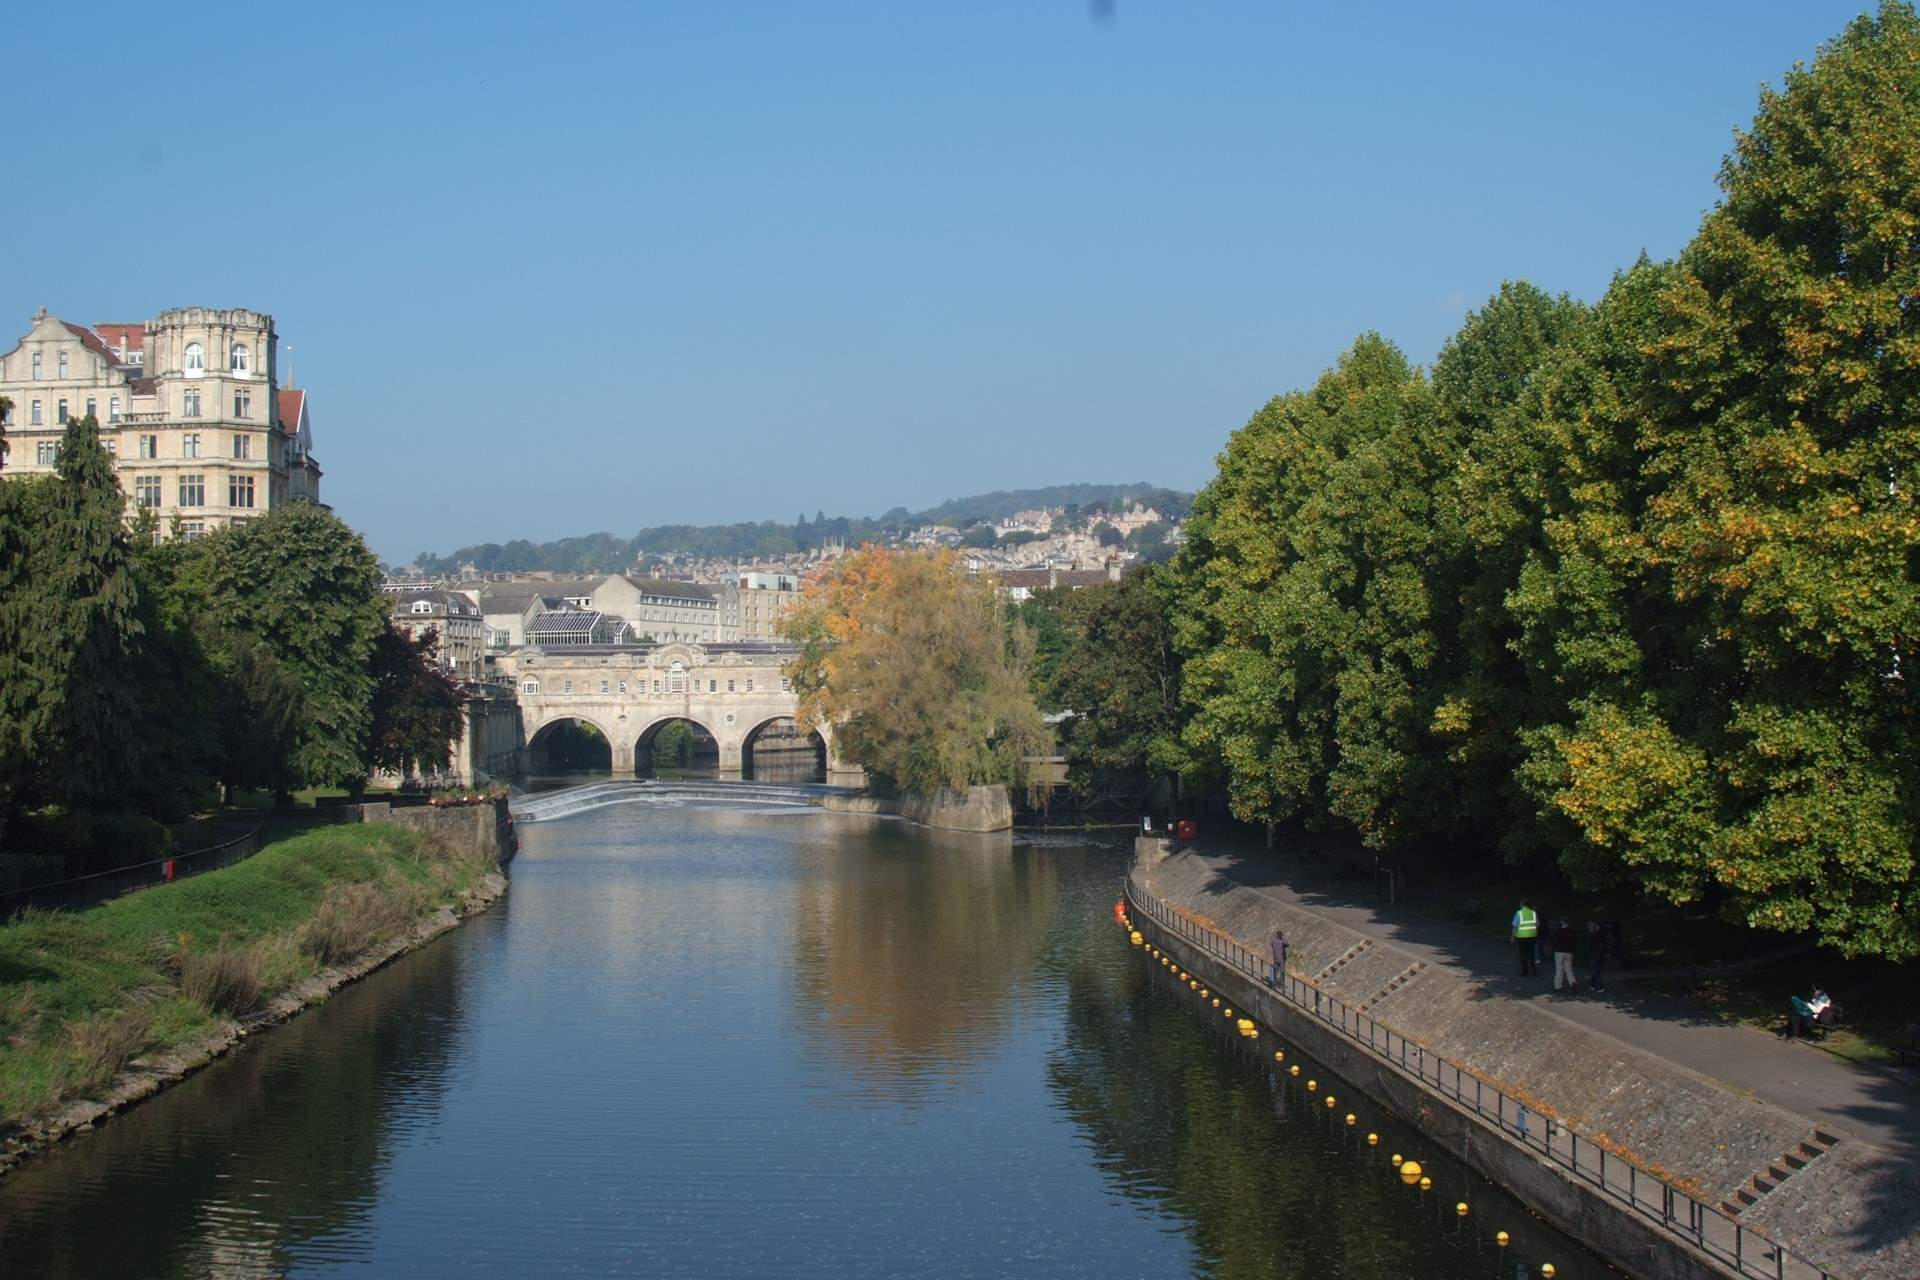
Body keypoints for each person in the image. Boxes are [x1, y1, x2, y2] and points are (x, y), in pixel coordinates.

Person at [1511, 898, 1540, 977]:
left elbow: (1515, 926)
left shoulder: (1519, 913)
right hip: (1532, 936)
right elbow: (1538, 924)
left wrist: (1513, 937)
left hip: (1522, 937)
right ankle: (1534, 972)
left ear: (1522, 904)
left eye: (1520, 903)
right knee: (1532, 954)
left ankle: (1525, 972)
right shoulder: (1533, 913)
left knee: (1523, 955)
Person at [1550, 918, 1578, 992]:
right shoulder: (1572, 932)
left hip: (1559, 952)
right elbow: (1574, 943)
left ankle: (1558, 987)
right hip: (1569, 952)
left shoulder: (1558, 931)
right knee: (1569, 969)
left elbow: (1554, 942)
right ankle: (1573, 983)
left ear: (1562, 922)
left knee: (1559, 970)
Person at [1587, 921, 1610, 992]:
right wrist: (1607, 952)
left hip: (1595, 955)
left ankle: (1595, 985)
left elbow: (1590, 945)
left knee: (1596, 971)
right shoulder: (1601, 935)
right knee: (1597, 971)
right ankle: (1595, 985)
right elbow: (1605, 944)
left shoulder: (1593, 935)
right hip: (1600, 955)